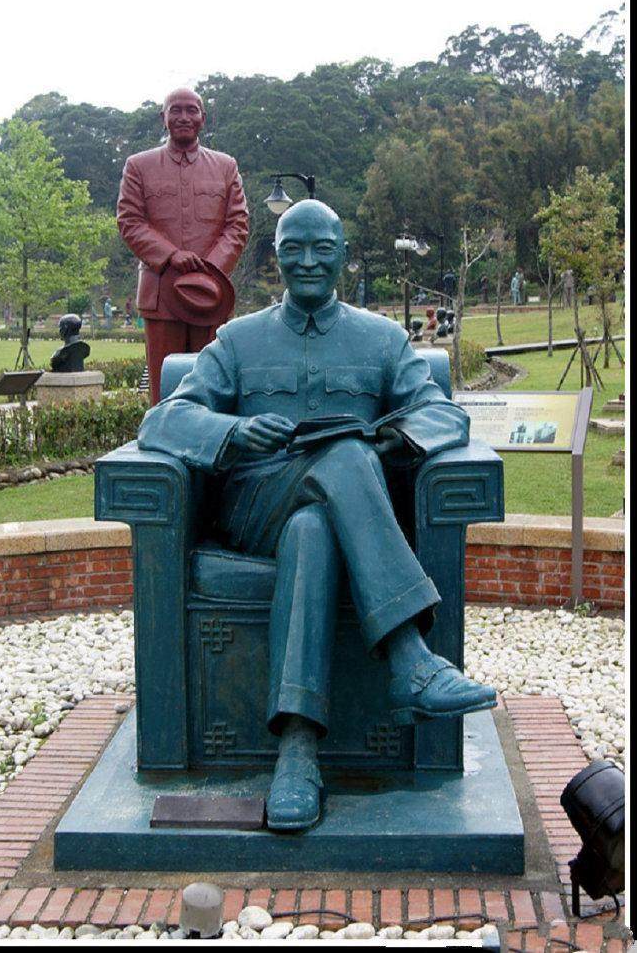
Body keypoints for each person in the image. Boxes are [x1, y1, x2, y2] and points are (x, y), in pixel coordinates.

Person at [137, 200, 496, 831]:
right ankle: (410, 656)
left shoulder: (382, 340)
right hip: (255, 511)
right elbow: (164, 419)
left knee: (318, 523)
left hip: (326, 521)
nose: (307, 261)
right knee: (344, 458)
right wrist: (235, 430)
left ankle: (298, 754)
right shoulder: (238, 340)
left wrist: (397, 441)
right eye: (293, 248)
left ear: (342, 255)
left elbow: (444, 414)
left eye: (321, 248)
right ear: (275, 257)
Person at [117, 87, 249, 404]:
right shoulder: (138, 165)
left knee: (212, 383)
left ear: (203, 118)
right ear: (163, 118)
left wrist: (209, 271)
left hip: (210, 296)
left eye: (192, 110)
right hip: (161, 295)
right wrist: (171, 256)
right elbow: (129, 221)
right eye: (175, 110)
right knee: (165, 390)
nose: (184, 117)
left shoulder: (225, 166)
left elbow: (238, 223)